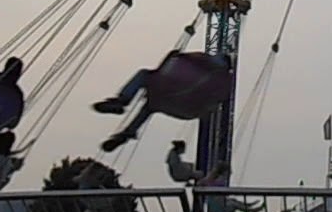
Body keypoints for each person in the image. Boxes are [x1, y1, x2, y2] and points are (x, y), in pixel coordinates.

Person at [96, 51, 232, 152]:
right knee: (150, 106)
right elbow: (217, 102)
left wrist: (169, 60)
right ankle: (128, 132)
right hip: (187, 109)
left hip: (169, 92)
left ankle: (122, 100)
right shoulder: (225, 80)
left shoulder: (203, 59)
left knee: (144, 76)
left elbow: (172, 60)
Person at [199, 162, 264, 212]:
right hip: (218, 206)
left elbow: (202, 182)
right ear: (225, 171)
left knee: (233, 200)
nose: (231, 173)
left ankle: (248, 206)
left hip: (217, 203)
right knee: (234, 204)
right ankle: (252, 210)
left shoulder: (213, 179)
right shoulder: (220, 180)